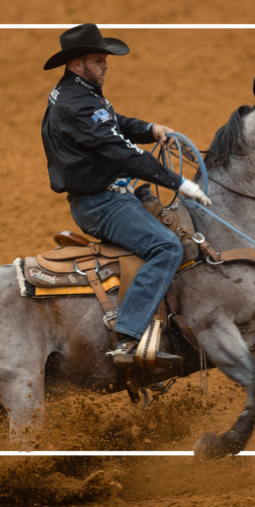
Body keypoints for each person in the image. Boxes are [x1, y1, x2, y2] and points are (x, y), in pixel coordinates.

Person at [40, 23, 212, 366]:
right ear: (77, 64)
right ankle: (129, 340)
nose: (106, 65)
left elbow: (115, 122)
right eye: (98, 59)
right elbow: (122, 151)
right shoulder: (79, 104)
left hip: (106, 192)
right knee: (166, 247)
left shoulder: (78, 91)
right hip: (100, 202)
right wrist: (178, 182)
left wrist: (151, 129)